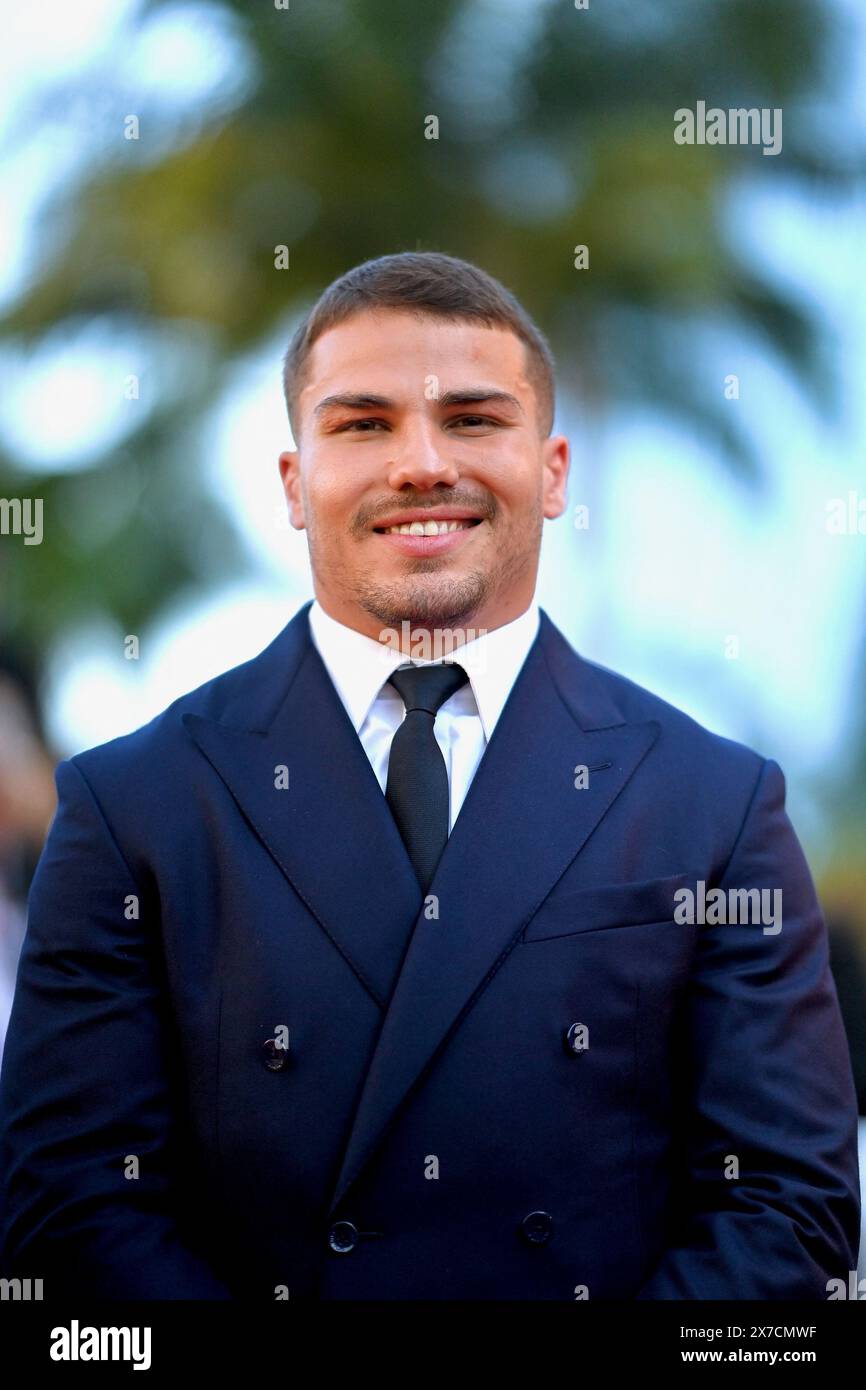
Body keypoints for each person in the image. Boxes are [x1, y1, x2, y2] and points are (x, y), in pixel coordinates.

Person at [0, 252, 859, 1300]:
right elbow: (71, 1208)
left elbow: (787, 1209)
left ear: (550, 472)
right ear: (293, 480)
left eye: (471, 420)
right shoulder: (134, 809)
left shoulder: (711, 807)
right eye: (362, 424)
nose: (420, 463)